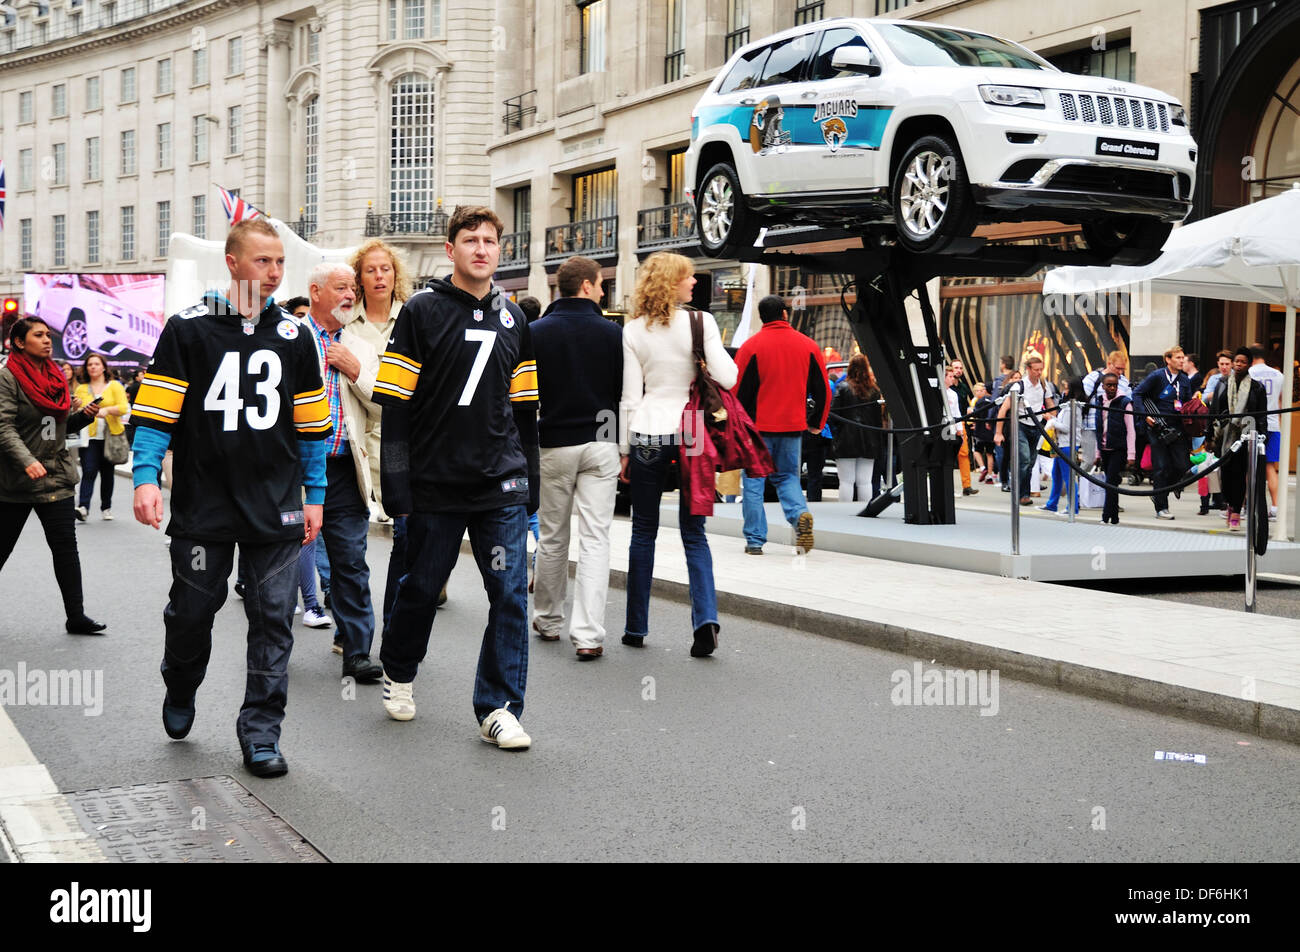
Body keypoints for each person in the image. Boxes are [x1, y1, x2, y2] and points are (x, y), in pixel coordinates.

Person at [130, 217, 331, 778]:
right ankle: (181, 679)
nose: (273, 273)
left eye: (279, 263)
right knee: (194, 611)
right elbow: (156, 416)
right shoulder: (188, 330)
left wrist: (314, 494)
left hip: (277, 507)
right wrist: (146, 477)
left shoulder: (297, 336)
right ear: (233, 262)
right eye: (262, 261)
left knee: (274, 619)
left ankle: (261, 732)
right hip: (205, 505)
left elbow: (313, 427)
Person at [373, 205, 539, 750]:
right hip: (434, 483)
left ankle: (498, 707)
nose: (482, 249)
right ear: (451, 250)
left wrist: (530, 482)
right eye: (471, 240)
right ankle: (399, 670)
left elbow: (525, 411)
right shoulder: (420, 312)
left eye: (491, 240)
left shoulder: (516, 319)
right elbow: (395, 406)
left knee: (511, 593)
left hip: (501, 484)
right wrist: (396, 485)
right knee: (419, 588)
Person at [620, 251, 736, 657]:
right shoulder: (700, 322)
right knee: (693, 533)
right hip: (692, 432)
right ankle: (704, 619)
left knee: (643, 531)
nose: (693, 284)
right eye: (687, 278)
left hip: (649, 431)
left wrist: (623, 450)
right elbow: (728, 377)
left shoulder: (633, 331)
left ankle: (636, 626)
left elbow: (631, 398)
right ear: (672, 282)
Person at [529, 256, 622, 660]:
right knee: (596, 538)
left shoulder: (535, 333)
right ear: (586, 286)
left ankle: (548, 619)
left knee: (552, 536)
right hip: (601, 440)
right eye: (601, 284)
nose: (603, 291)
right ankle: (588, 634)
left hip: (554, 440)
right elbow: (622, 392)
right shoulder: (613, 333)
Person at [302, 262, 384, 681]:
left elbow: (385, 405)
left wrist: (355, 370)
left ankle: (357, 650)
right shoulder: (291, 338)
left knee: (351, 561)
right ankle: (272, 647)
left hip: (344, 472)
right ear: (315, 292)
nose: (350, 294)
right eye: (341, 288)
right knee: (283, 559)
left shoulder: (361, 346)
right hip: (296, 474)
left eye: (353, 288)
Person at [0, 317, 106, 634]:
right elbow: (4, 427)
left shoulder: (55, 377)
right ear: (19, 342)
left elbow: (56, 431)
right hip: (16, 482)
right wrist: (26, 460)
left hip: (57, 478)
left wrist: (80, 418)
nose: (48, 340)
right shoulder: (7, 378)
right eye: (38, 335)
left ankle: (77, 616)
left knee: (65, 549)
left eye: (49, 335)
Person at [734, 294, 829, 555]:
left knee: (753, 482)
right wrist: (816, 422)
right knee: (788, 478)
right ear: (785, 315)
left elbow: (737, 390)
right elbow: (822, 389)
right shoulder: (807, 345)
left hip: (757, 428)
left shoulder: (750, 347)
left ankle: (755, 540)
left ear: (762, 317)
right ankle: (800, 517)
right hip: (792, 426)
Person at [1132, 345, 1192, 520]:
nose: (1182, 361)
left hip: (1177, 427)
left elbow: (1186, 402)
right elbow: (1137, 394)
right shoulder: (1157, 376)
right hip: (1157, 426)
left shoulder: (1185, 379)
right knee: (1160, 467)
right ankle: (1161, 507)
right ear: (1168, 359)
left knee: (1182, 466)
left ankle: (1163, 489)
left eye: (1183, 358)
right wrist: (1145, 416)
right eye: (1178, 358)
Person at [1211, 348, 1268, 530]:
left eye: (1242, 362)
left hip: (1247, 436)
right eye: (1237, 361)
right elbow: (1215, 410)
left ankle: (1236, 511)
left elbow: (1262, 415)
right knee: (1226, 474)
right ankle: (1230, 504)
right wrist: (1209, 435)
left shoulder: (1257, 387)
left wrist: (1261, 436)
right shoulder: (1222, 383)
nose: (1238, 364)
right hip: (1225, 436)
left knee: (1241, 472)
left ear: (1249, 364)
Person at [72, 354, 130, 521]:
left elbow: (123, 407)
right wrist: (76, 408)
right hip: (88, 437)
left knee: (107, 472)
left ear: (104, 367)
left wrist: (107, 410)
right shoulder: (82, 388)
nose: (93, 367)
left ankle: (106, 507)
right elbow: (77, 413)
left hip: (111, 436)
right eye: (90, 364)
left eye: (96, 364)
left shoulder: (115, 386)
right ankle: (83, 507)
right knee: (88, 470)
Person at [994, 357, 1055, 506]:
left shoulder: (1043, 384)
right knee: (1025, 459)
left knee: (1031, 462)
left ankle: (1023, 491)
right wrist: (998, 432)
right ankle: (1023, 494)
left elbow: (1050, 404)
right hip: (1021, 425)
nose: (1039, 372)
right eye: (1036, 370)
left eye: (1041, 369)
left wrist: (1054, 419)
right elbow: (1004, 409)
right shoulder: (1018, 386)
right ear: (1028, 369)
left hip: (1037, 425)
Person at [830, 353, 881, 502]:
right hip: (869, 440)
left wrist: (837, 432)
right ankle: (865, 511)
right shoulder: (874, 390)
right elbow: (878, 419)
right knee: (865, 481)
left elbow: (834, 413)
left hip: (846, 439)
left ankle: (845, 513)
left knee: (846, 481)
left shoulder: (843, 387)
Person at [1094, 372, 1136, 525]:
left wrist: (1131, 454)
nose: (1112, 388)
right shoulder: (1099, 401)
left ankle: (1106, 515)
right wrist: (1097, 452)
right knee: (1111, 483)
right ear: (1103, 386)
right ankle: (1114, 517)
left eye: (1115, 385)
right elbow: (1098, 428)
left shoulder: (1125, 402)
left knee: (1111, 480)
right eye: (1109, 385)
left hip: (1119, 448)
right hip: (1104, 448)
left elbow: (1131, 430)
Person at [1248, 344, 1285, 519]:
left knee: (1249, 466)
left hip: (1253, 425)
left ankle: (1246, 505)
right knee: (1270, 467)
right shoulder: (1279, 375)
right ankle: (1275, 507)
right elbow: (1281, 401)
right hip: (1273, 425)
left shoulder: (1249, 373)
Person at [1040, 378, 1086, 514]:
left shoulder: (1073, 407)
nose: (1064, 391)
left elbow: (1066, 427)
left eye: (1066, 388)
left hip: (1067, 445)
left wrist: (1052, 421)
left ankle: (1072, 507)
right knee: (1057, 474)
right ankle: (1052, 504)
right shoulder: (1071, 406)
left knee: (1068, 477)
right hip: (1063, 444)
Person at [944, 365, 977, 496]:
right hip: (945, 425)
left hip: (959, 422)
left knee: (964, 453)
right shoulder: (940, 391)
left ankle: (967, 485)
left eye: (960, 368)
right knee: (946, 455)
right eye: (950, 375)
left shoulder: (957, 391)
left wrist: (960, 429)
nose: (953, 377)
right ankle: (946, 485)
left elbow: (957, 411)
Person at [969, 382, 996, 483]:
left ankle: (983, 467)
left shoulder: (979, 402)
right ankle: (989, 476)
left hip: (979, 429)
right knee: (989, 453)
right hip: (990, 431)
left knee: (976, 451)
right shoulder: (993, 401)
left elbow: (975, 414)